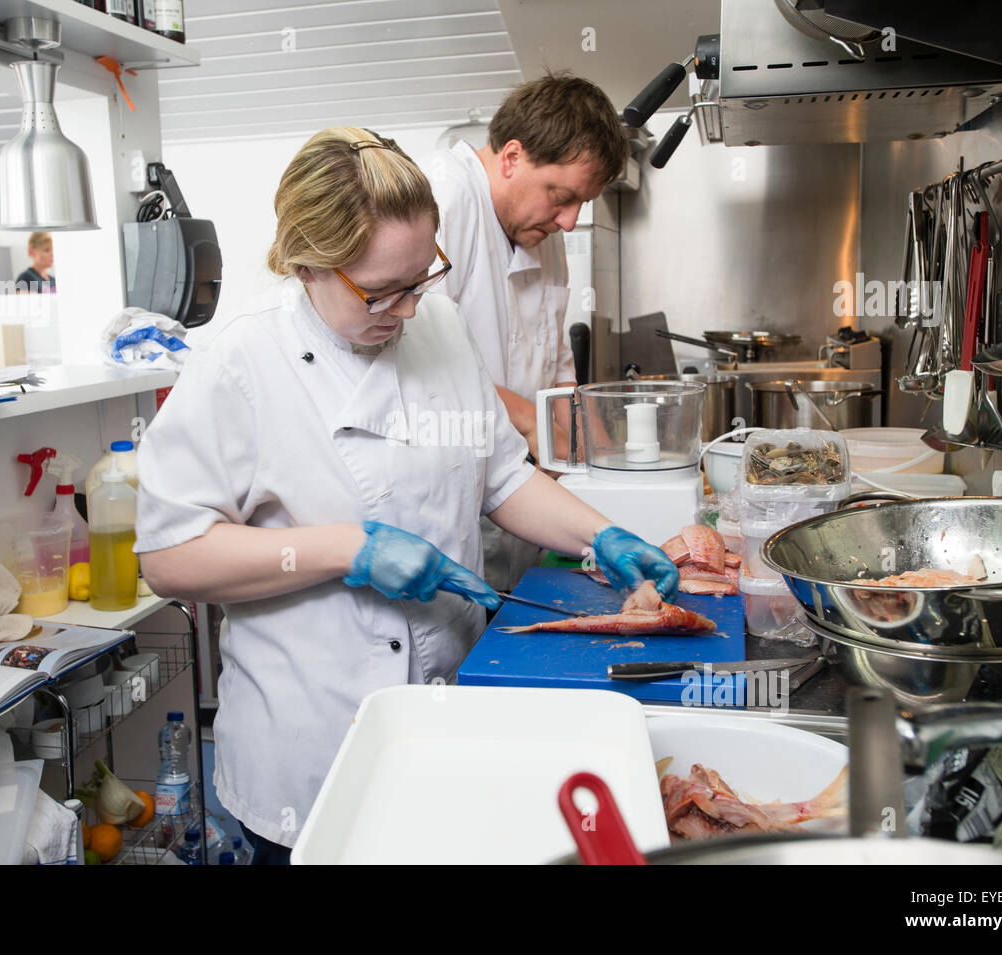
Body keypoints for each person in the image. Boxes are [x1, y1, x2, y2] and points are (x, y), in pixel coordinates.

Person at [132, 127, 677, 863]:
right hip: (311, 743)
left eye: (422, 277)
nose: (411, 309)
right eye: (383, 291)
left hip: (446, 712)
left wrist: (601, 535)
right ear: (307, 263)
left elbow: (502, 475)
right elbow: (169, 556)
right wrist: (346, 550)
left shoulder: (439, 324)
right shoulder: (241, 363)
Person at [430, 73, 629, 592]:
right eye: (561, 197)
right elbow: (418, 361)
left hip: (518, 504)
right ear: (512, 157)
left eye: (581, 203)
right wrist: (528, 421)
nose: (569, 221)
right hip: (452, 506)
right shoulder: (441, 200)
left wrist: (610, 475)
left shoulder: (542, 229)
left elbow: (556, 368)